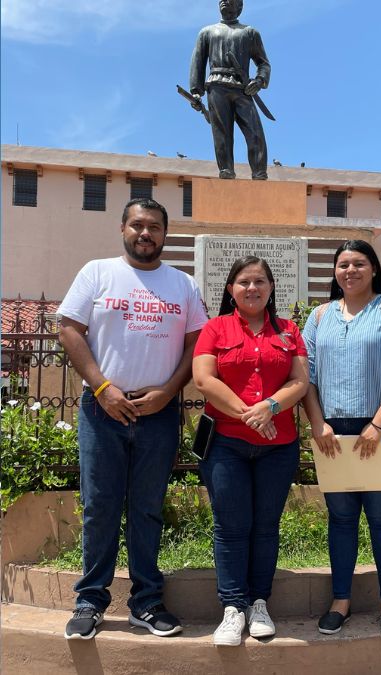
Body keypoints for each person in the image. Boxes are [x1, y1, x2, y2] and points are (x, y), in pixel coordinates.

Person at [58, 198, 209, 641]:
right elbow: (68, 327)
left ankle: (146, 601)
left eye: (155, 227)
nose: (146, 234)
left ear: (165, 234)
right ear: (123, 228)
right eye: (138, 225)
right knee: (100, 507)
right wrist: (103, 388)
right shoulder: (97, 272)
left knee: (146, 510)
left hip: (158, 415)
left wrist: (168, 392)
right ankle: (90, 600)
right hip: (102, 411)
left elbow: (197, 344)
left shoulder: (182, 284)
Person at [301, 240, 381, 640]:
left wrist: (378, 426)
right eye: (343, 265)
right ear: (334, 272)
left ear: (373, 269)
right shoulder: (319, 317)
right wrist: (318, 423)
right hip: (333, 432)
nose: (349, 271)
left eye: (358, 263)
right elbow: (306, 378)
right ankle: (341, 601)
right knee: (340, 517)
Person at [192, 256, 308, 645]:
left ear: (272, 288)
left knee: (265, 526)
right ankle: (232, 607)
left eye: (260, 281)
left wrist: (270, 407)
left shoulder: (289, 330)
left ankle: (258, 602)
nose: (252, 288)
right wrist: (249, 415)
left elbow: (300, 381)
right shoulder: (215, 328)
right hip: (225, 443)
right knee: (231, 526)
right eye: (244, 282)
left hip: (279, 447)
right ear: (230, 289)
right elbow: (204, 379)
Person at [188, 0, 271, 180]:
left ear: (239, 7)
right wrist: (196, 90)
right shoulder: (207, 32)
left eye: (231, 0)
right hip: (217, 85)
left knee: (255, 132)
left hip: (243, 89)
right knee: (222, 133)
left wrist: (259, 81)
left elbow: (263, 63)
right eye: (222, 0)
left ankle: (259, 173)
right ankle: (226, 171)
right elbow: (198, 62)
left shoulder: (250, 32)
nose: (225, 2)